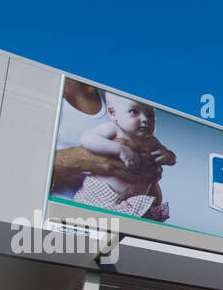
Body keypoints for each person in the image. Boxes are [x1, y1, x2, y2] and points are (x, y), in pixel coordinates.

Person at [73, 93, 175, 221]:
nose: (144, 119)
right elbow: (88, 139)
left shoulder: (152, 141)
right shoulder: (115, 130)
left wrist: (168, 157)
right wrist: (119, 149)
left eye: (150, 115)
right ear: (112, 113)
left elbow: (170, 156)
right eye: (134, 112)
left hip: (133, 203)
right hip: (100, 198)